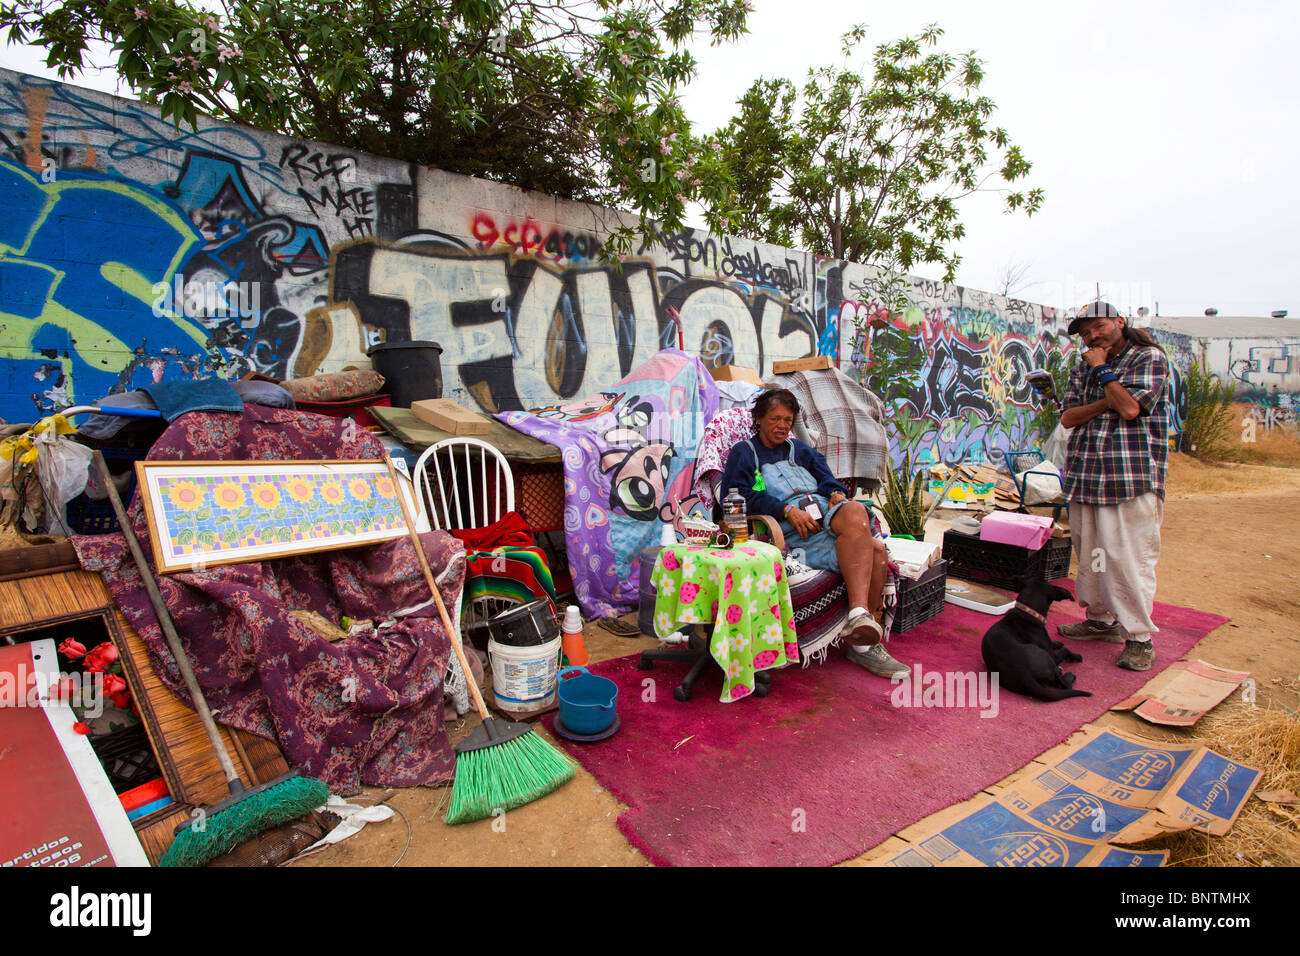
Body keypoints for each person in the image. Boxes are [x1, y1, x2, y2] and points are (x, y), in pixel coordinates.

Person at [718, 388, 907, 679]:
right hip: (793, 529)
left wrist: (835, 494)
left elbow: (829, 480)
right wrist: (785, 510)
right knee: (878, 551)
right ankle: (863, 647)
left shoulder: (800, 450)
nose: (782, 425)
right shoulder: (745, 453)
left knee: (854, 508)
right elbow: (736, 496)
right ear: (758, 418)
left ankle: (858, 616)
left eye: (788, 420)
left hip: (826, 515)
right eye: (775, 418)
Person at [1057, 301, 1171, 671]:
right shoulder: (1083, 366)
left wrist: (1103, 372)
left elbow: (1130, 410)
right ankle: (1100, 620)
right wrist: (1107, 398)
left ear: (1120, 322)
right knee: (1091, 554)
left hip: (1129, 476)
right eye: (1086, 332)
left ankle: (1139, 637)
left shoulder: (1148, 357)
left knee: (1127, 558)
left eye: (1098, 327)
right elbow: (1070, 417)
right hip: (1086, 474)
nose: (1092, 336)